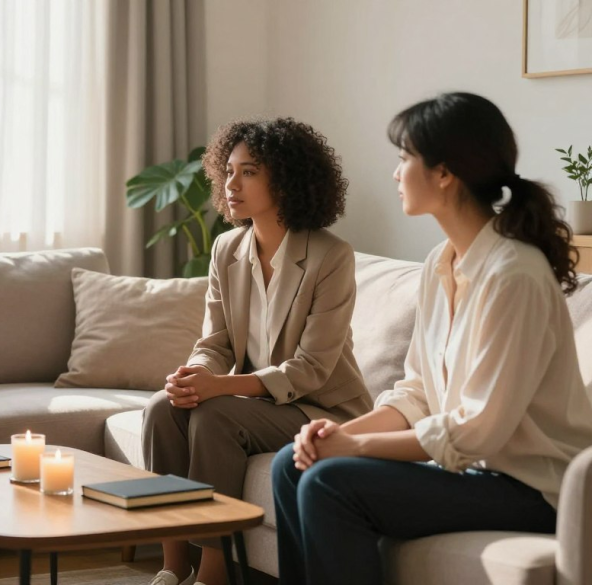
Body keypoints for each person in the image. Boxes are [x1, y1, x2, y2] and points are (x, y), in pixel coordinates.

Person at [271, 92, 592, 585]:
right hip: (472, 473)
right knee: (289, 466)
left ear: (444, 173)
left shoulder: (515, 276)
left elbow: (478, 431)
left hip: (532, 487)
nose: (396, 173)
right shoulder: (441, 263)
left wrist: (356, 448)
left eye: (404, 159)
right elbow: (418, 392)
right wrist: (341, 435)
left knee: (331, 483)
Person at [143, 118, 373, 585]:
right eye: (227, 171)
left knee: (216, 416)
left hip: (319, 408)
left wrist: (218, 388)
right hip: (258, 405)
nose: (231, 184)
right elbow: (216, 342)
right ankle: (173, 564)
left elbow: (310, 369)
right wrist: (192, 376)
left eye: (248, 172)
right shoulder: (227, 249)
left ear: (286, 180)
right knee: (163, 408)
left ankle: (213, 571)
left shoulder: (331, 256)